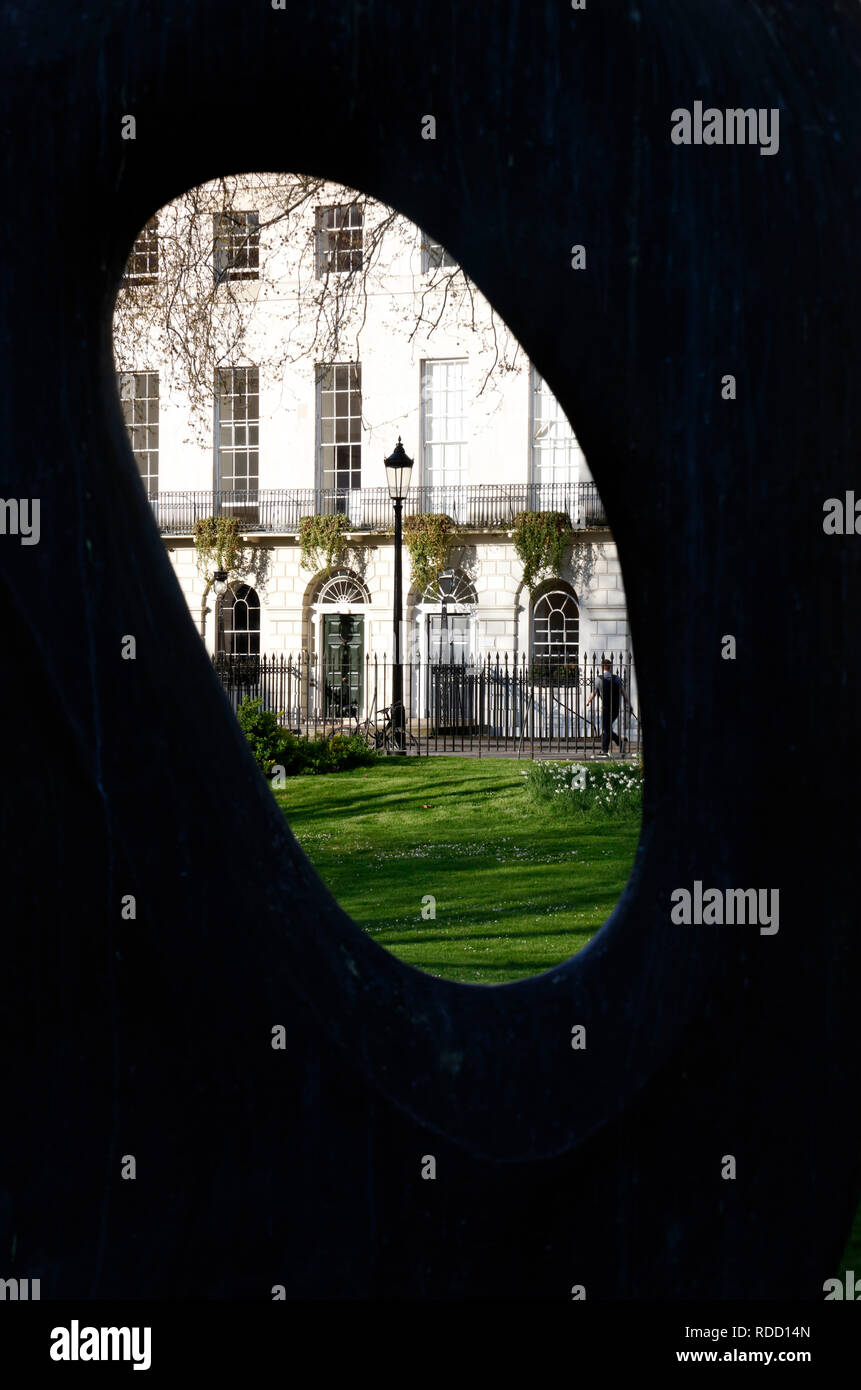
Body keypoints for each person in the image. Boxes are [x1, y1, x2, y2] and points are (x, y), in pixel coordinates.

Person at [585, 658, 630, 757]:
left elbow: (594, 693)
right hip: (615, 708)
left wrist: (588, 701)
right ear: (610, 667)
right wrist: (628, 704)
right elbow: (623, 693)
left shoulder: (598, 679)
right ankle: (610, 747)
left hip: (606, 708)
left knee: (606, 728)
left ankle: (608, 749)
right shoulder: (617, 678)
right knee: (607, 728)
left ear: (602, 667)